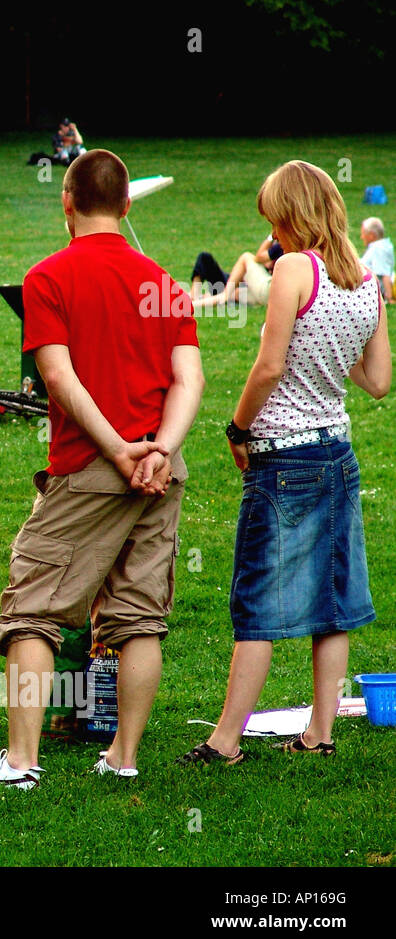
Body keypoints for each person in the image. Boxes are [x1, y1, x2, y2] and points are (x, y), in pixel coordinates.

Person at [0, 149, 204, 789]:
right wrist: (158, 447)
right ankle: (122, 760)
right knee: (139, 618)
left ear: (66, 204)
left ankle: (19, 763)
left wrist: (120, 449)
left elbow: (58, 379)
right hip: (161, 468)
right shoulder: (164, 282)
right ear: (128, 206)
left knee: (31, 610)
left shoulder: (48, 277)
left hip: (92, 468)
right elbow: (190, 379)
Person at [178, 161, 389, 765]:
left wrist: (237, 428)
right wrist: (331, 351)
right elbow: (377, 381)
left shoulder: (297, 268)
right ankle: (320, 732)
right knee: (333, 598)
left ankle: (224, 741)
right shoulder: (364, 280)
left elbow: (269, 366)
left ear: (293, 215)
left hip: (285, 458)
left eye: (274, 218)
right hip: (337, 454)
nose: (271, 233)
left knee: (259, 601)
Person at [190, 235, 279, 308]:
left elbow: (260, 259)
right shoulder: (279, 243)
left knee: (245, 258)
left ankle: (196, 300)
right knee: (204, 258)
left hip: (243, 288)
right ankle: (195, 296)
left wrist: (271, 236)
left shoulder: (281, 246)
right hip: (236, 283)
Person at [360, 216, 394, 303]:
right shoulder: (380, 246)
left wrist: (389, 298)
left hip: (370, 290)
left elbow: (385, 273)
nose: (361, 237)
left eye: (363, 233)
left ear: (371, 235)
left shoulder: (379, 249)